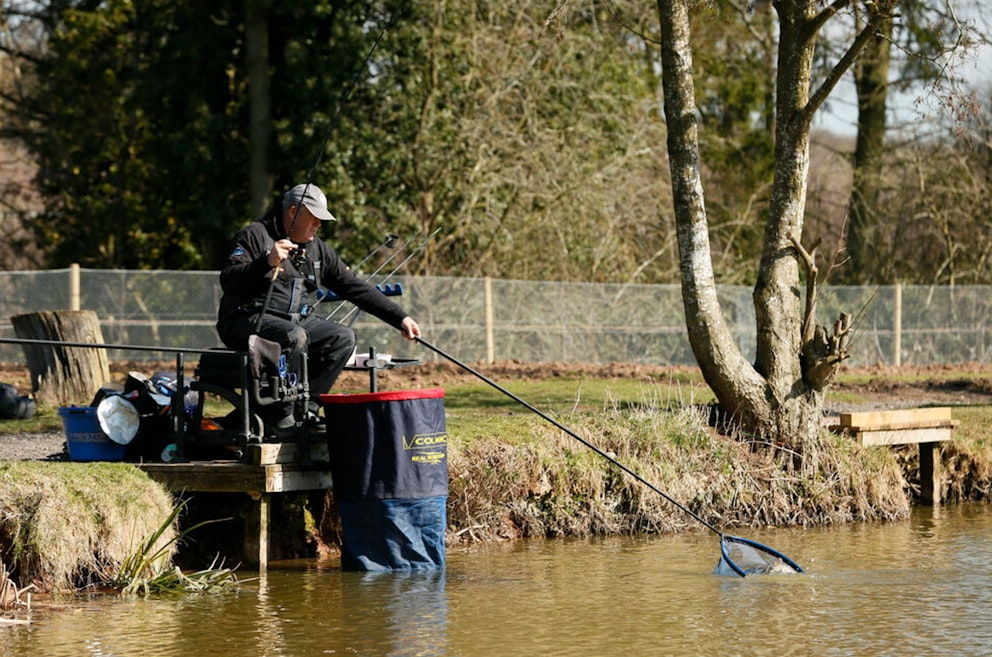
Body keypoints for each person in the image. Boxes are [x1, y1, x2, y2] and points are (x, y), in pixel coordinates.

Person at [216, 183, 422, 435]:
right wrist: (265, 262)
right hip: (245, 320)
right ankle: (282, 417)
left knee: (341, 337)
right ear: (293, 212)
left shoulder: (318, 249)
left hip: (293, 322)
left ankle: (307, 408)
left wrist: (400, 318)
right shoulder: (254, 235)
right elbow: (229, 279)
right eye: (314, 218)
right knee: (294, 336)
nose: (319, 225)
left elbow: (355, 287)